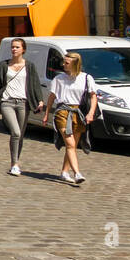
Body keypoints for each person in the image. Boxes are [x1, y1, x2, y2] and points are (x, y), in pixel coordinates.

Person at [42, 52, 99, 186]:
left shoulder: (86, 78)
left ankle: (64, 172)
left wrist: (90, 113)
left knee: (72, 146)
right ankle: (77, 173)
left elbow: (93, 96)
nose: (63, 64)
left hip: (78, 113)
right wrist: (47, 113)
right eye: (64, 62)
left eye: (66, 62)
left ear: (75, 64)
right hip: (62, 112)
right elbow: (52, 97)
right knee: (70, 144)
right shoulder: (59, 78)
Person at [0, 37, 46, 176]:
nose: (14, 49)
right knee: (15, 132)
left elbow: (35, 83)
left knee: (20, 135)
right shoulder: (3, 65)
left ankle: (15, 162)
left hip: (23, 103)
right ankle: (14, 164)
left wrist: (40, 100)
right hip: (7, 102)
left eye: (17, 47)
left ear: (23, 50)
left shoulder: (30, 66)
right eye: (12, 47)